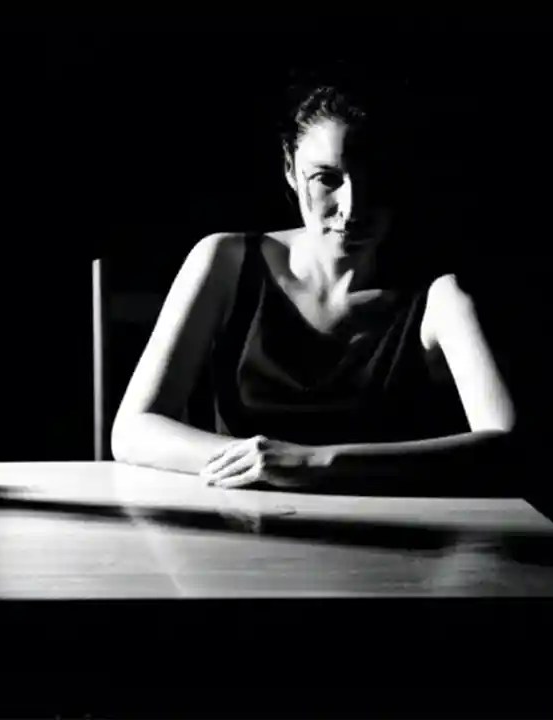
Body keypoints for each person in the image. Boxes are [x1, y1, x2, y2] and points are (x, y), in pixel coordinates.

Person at [110, 78, 516, 493]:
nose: (352, 206)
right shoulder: (225, 260)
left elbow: (507, 445)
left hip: (390, 541)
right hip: (238, 532)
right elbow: (131, 431)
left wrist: (315, 461)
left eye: (373, 178)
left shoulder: (440, 295)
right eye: (327, 178)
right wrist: (258, 461)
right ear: (290, 168)